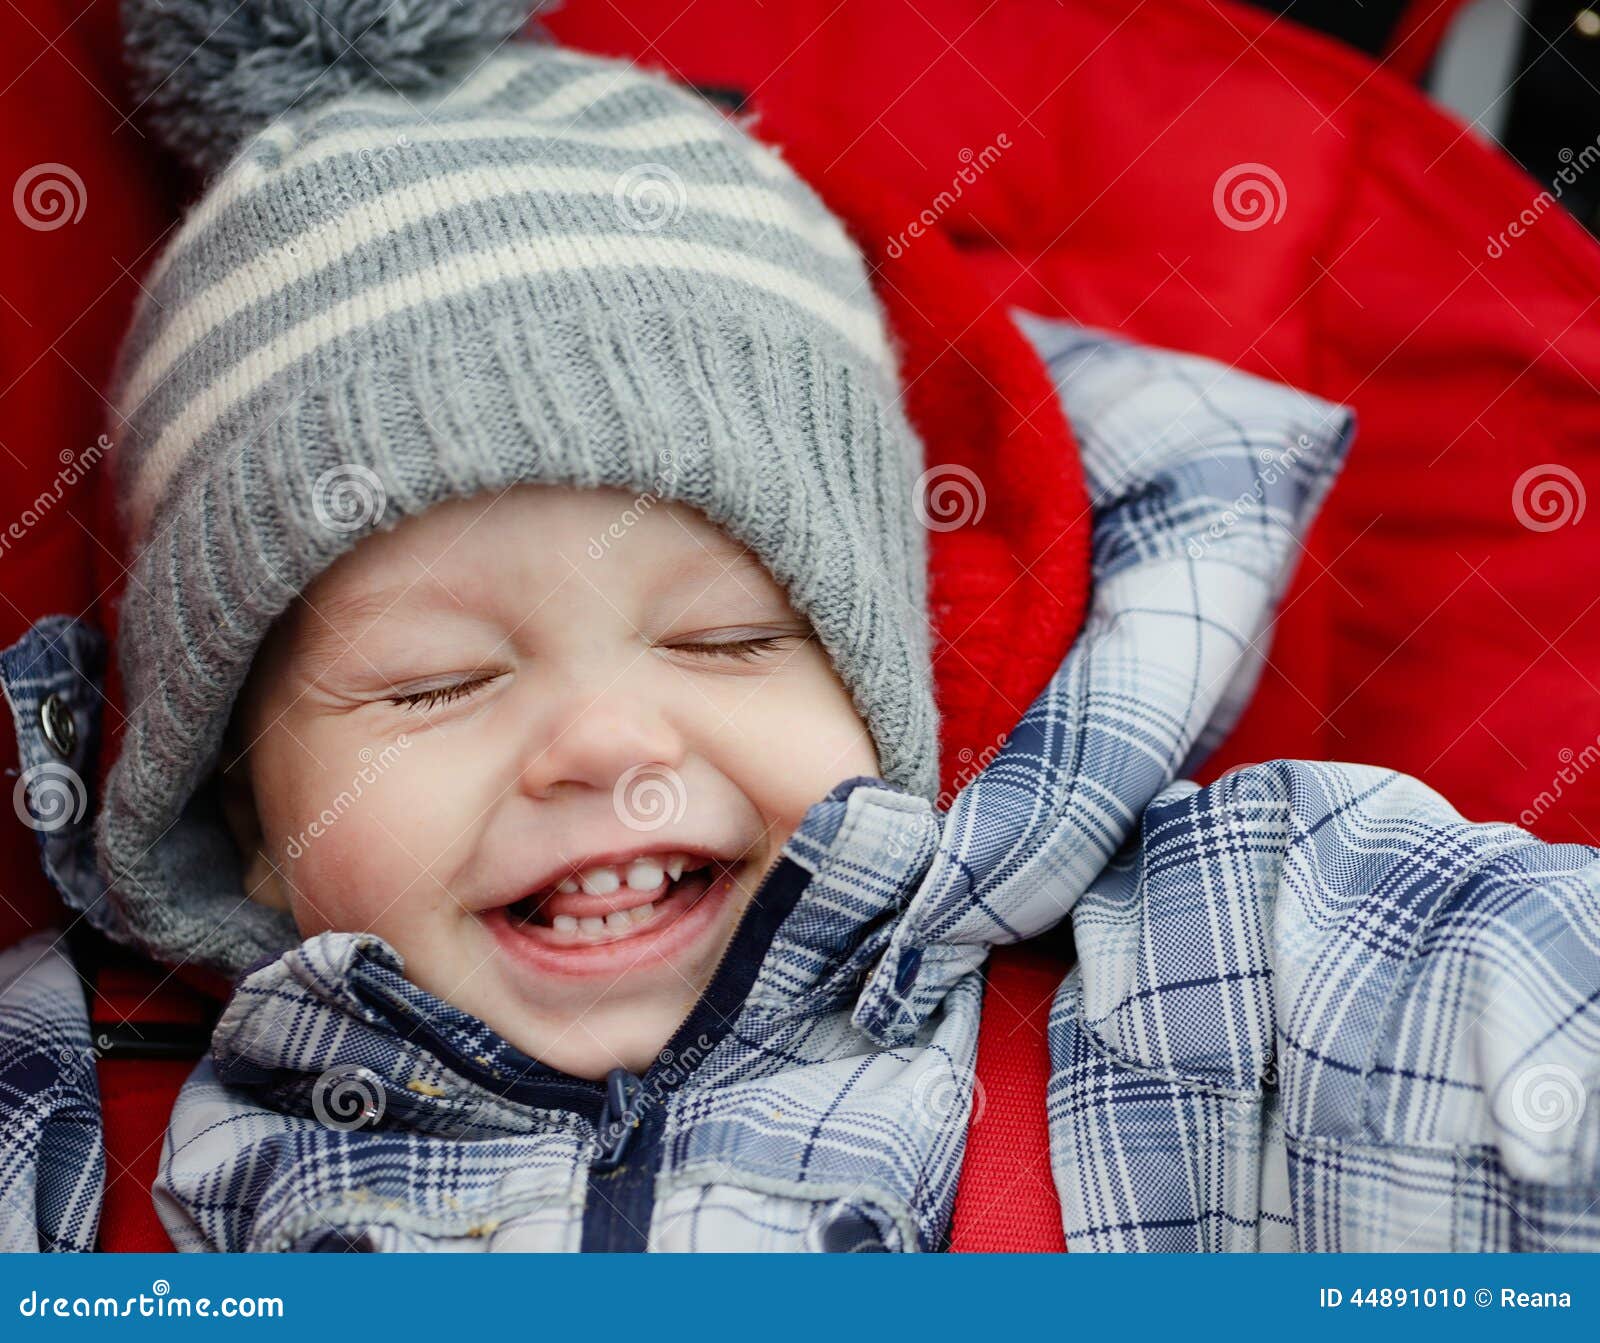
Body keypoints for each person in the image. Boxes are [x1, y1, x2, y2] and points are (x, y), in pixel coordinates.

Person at [3, 0, 1596, 1252]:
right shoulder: (69, 1144)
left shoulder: (1217, 991)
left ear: (889, 670)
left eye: (729, 642)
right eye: (439, 681)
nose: (611, 744)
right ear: (241, 808)